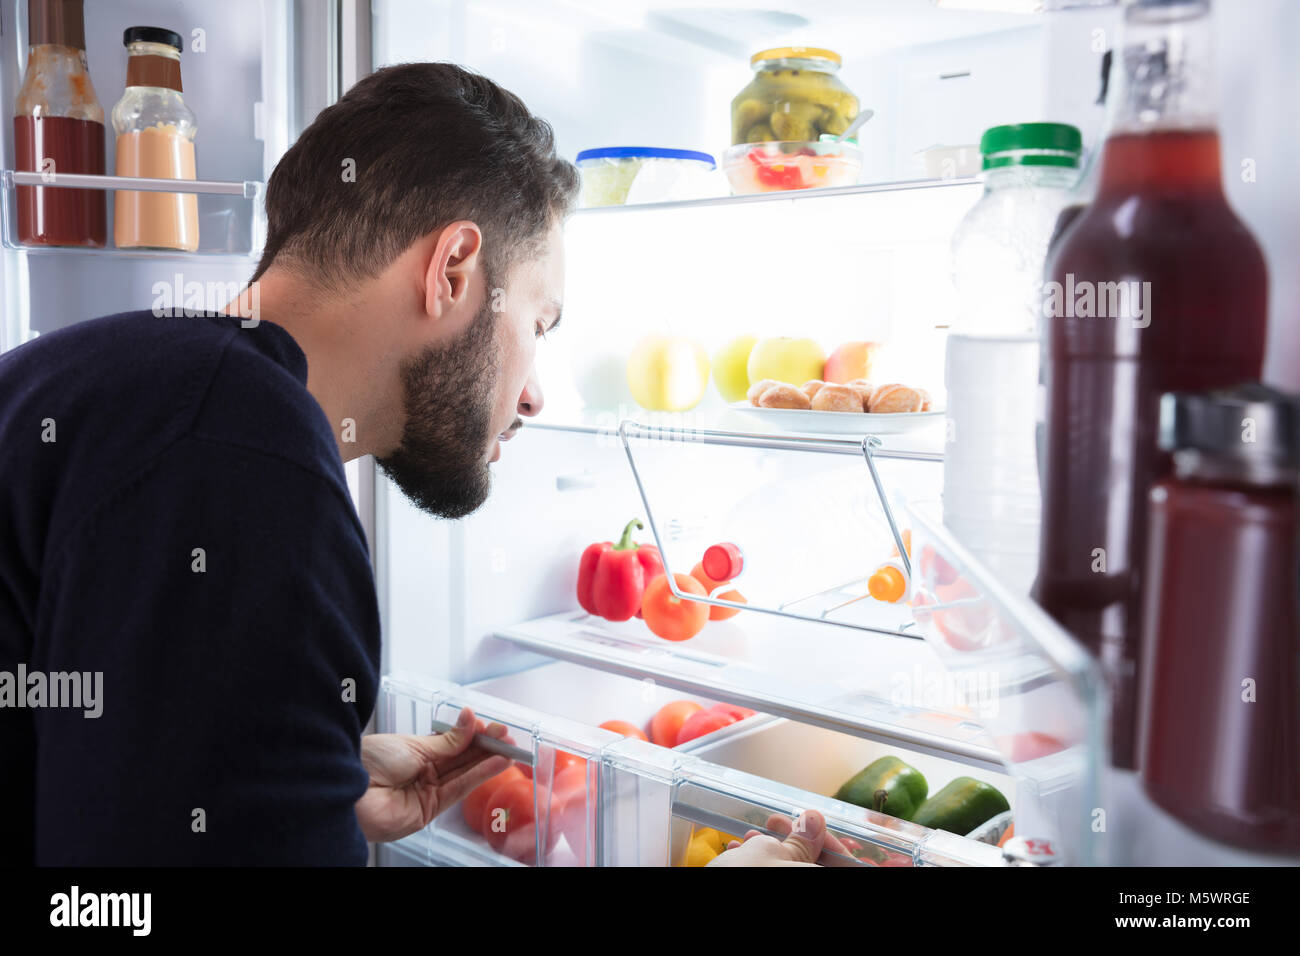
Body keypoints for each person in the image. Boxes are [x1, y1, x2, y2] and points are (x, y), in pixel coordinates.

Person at [0, 61, 809, 867]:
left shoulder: (105, 371)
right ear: (453, 270)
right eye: (540, 320)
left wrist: (310, 786)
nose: (533, 398)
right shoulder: (247, 466)